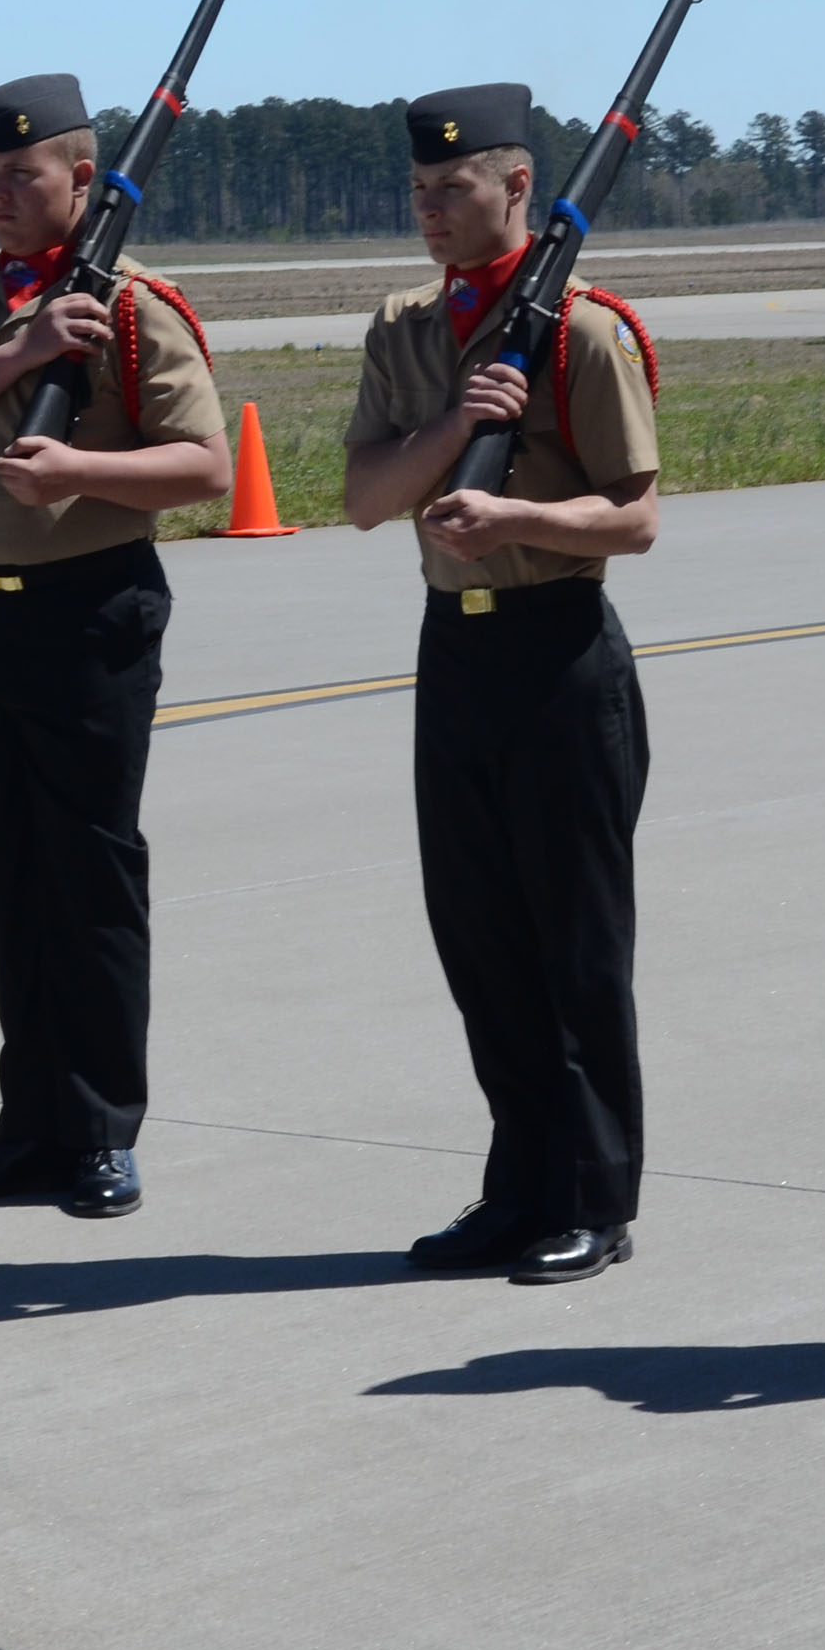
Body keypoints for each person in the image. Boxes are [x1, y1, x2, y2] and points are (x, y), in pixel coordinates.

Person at [0, 75, 228, 1217]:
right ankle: (31, 1128)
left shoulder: (134, 305)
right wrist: (17, 356)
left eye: (21, 175)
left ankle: (102, 1131)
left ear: (83, 176)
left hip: (87, 618)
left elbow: (205, 467)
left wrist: (78, 473)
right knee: (4, 879)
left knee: (88, 880)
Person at [342, 85, 661, 1283]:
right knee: (479, 939)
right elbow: (369, 499)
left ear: (518, 186)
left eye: (454, 189)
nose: (431, 210)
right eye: (419, 192)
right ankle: (515, 1187)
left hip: (559, 651)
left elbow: (633, 521)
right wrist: (452, 431)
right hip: (454, 649)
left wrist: (519, 511)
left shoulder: (582, 333)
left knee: (573, 947)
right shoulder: (407, 328)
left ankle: (594, 1197)